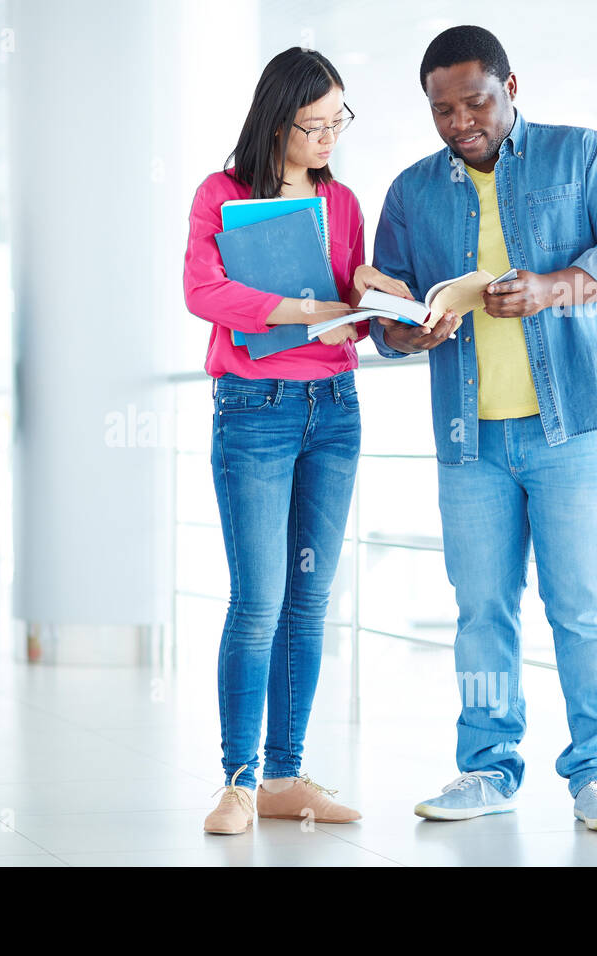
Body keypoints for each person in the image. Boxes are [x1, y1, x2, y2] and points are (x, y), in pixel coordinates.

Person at [371, 25, 597, 832]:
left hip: (573, 430)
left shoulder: (584, 157)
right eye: (442, 109)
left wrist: (556, 286)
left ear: (511, 87)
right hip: (470, 442)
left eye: (476, 101)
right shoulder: (412, 192)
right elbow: (387, 314)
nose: (461, 121)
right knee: (481, 612)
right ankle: (487, 767)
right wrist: (407, 331)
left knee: (582, 607)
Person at [183, 47, 420, 835]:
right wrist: (299, 309)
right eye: (314, 124)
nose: (329, 136)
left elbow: (348, 283)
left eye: (337, 121)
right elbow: (203, 291)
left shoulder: (343, 199)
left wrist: (378, 293)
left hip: (335, 406)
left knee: (310, 599)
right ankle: (239, 781)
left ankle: (286, 774)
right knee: (258, 601)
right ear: (275, 120)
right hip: (255, 407)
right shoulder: (220, 195)